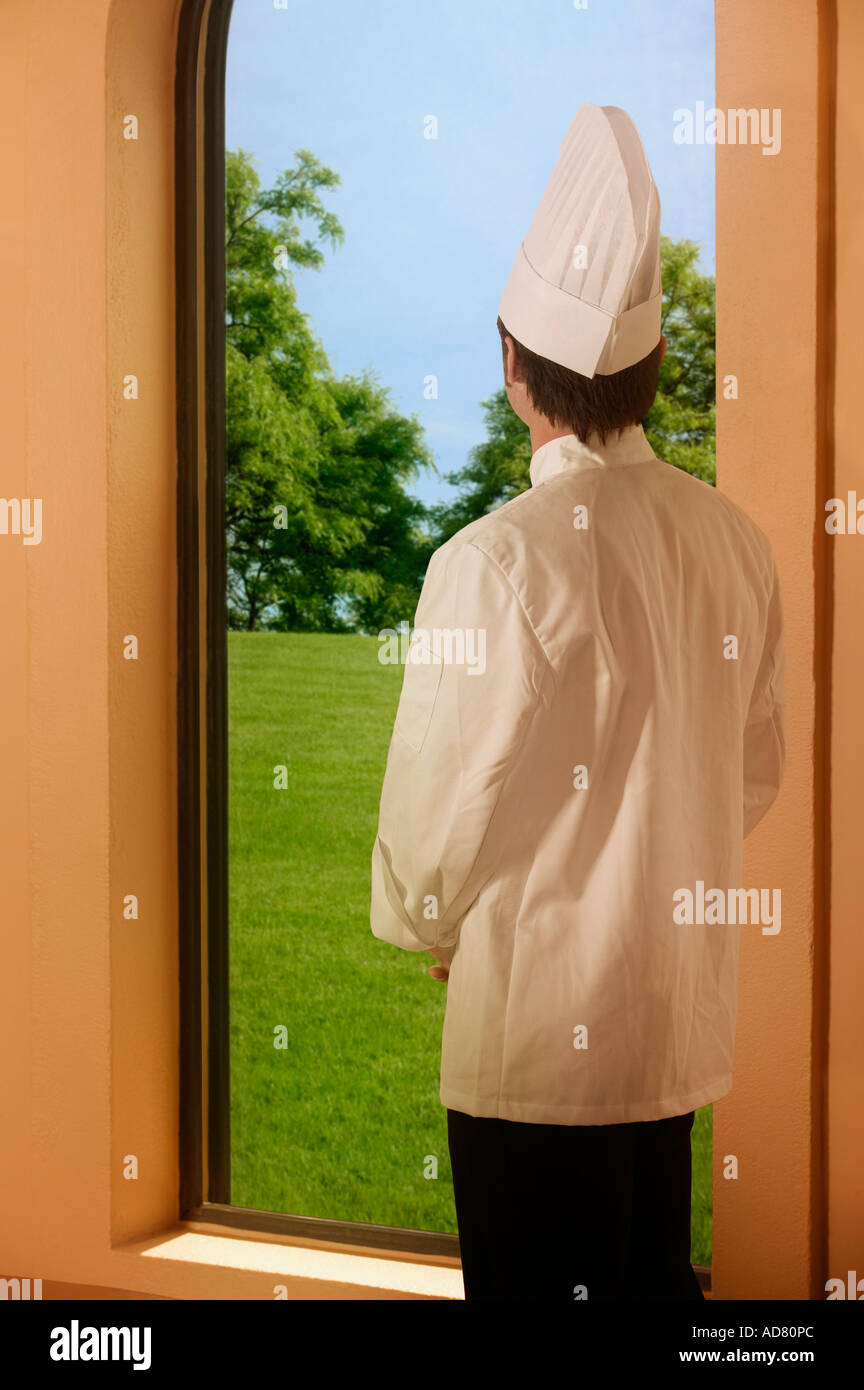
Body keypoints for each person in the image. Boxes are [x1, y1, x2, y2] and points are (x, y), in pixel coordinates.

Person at [369, 103, 785, 1301]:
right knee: (657, 1281)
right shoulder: (735, 543)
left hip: (538, 1042)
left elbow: (442, 799)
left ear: (510, 364)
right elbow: (748, 771)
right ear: (655, 369)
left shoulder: (493, 559)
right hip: (674, 1023)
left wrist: (433, 918)